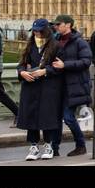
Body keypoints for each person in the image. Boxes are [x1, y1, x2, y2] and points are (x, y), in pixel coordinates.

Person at [15, 18, 66, 160]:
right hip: (30, 86)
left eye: (39, 31)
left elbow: (60, 67)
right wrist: (22, 72)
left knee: (47, 117)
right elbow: (21, 64)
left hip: (48, 87)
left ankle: (48, 145)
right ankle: (34, 146)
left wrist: (45, 71)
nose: (36, 33)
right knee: (31, 117)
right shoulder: (30, 45)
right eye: (34, 31)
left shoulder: (56, 46)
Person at [48, 14, 93, 156]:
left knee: (68, 117)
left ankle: (81, 145)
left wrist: (65, 65)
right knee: (55, 118)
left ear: (68, 25)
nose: (56, 27)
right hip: (57, 85)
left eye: (58, 24)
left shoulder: (80, 42)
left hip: (74, 86)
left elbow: (86, 62)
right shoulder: (55, 40)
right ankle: (54, 148)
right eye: (55, 25)